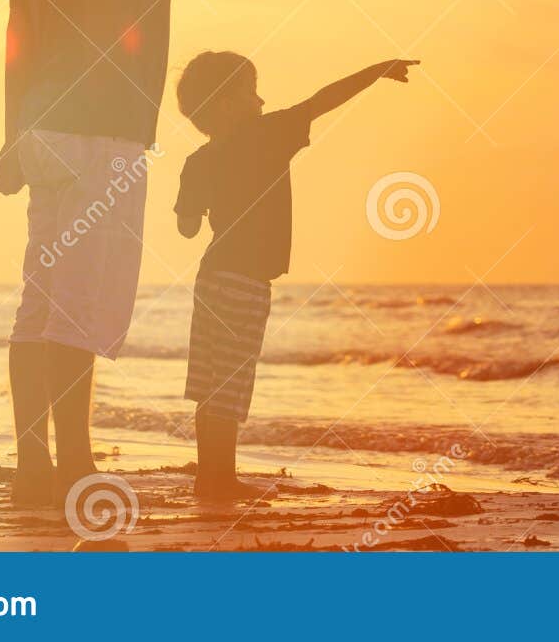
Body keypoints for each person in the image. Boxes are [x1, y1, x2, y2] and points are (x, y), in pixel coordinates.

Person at [0, 0, 431, 508]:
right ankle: (71, 464)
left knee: (41, 302)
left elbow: (16, 35)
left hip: (44, 132)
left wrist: (13, 138)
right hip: (103, 138)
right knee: (76, 304)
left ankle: (36, 461)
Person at [173, 51, 419, 500]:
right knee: (230, 379)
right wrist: (375, 69)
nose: (261, 99)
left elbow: (186, 225)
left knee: (210, 381)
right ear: (226, 102)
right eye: (251, 90)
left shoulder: (198, 160)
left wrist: (200, 203)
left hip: (211, 277)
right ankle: (220, 480)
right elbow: (323, 100)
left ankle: (209, 476)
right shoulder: (267, 134)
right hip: (244, 281)